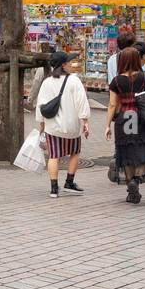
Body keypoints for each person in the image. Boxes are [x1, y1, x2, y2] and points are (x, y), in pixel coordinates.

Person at [105, 47, 145, 204]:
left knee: (127, 153)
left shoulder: (116, 81)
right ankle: (136, 180)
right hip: (143, 118)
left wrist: (107, 125)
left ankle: (131, 185)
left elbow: (112, 104)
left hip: (124, 118)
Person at [34, 51, 90, 197]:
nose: (71, 64)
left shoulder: (46, 82)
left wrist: (41, 125)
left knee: (53, 156)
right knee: (74, 152)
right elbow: (81, 102)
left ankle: (53, 188)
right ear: (64, 65)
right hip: (72, 126)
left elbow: (41, 105)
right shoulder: (74, 81)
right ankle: (69, 182)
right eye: (69, 62)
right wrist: (85, 121)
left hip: (52, 126)